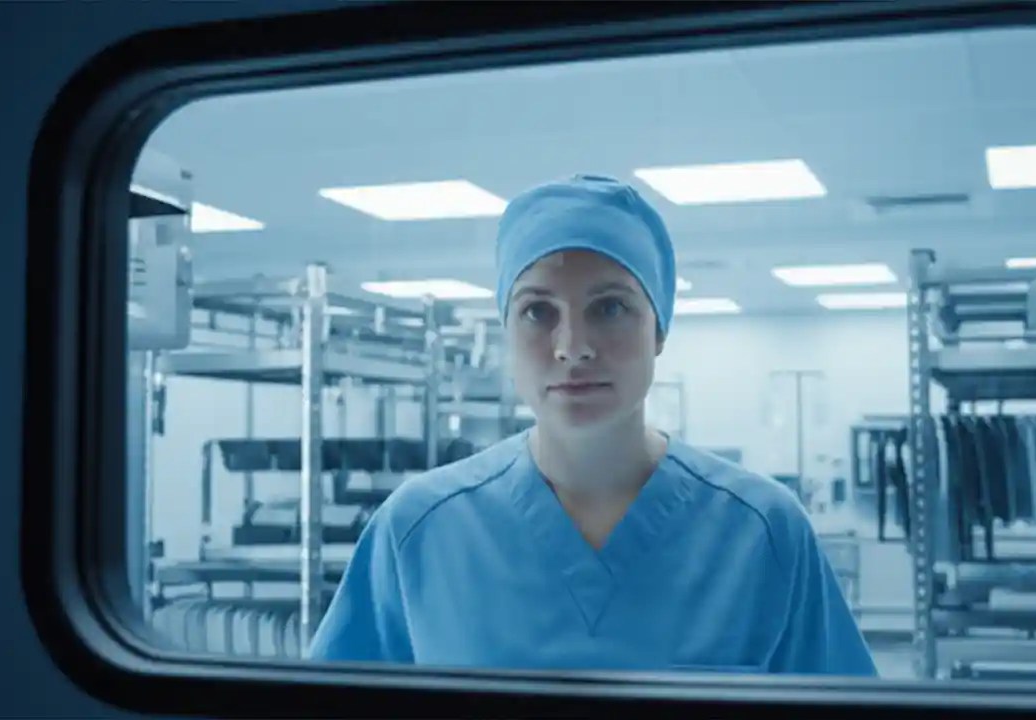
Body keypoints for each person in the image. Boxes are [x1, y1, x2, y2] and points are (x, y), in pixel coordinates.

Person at [307, 174, 877, 676]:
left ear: (659, 329)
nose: (572, 347)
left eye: (610, 307)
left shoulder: (762, 533)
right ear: (507, 332)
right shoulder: (418, 530)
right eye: (537, 311)